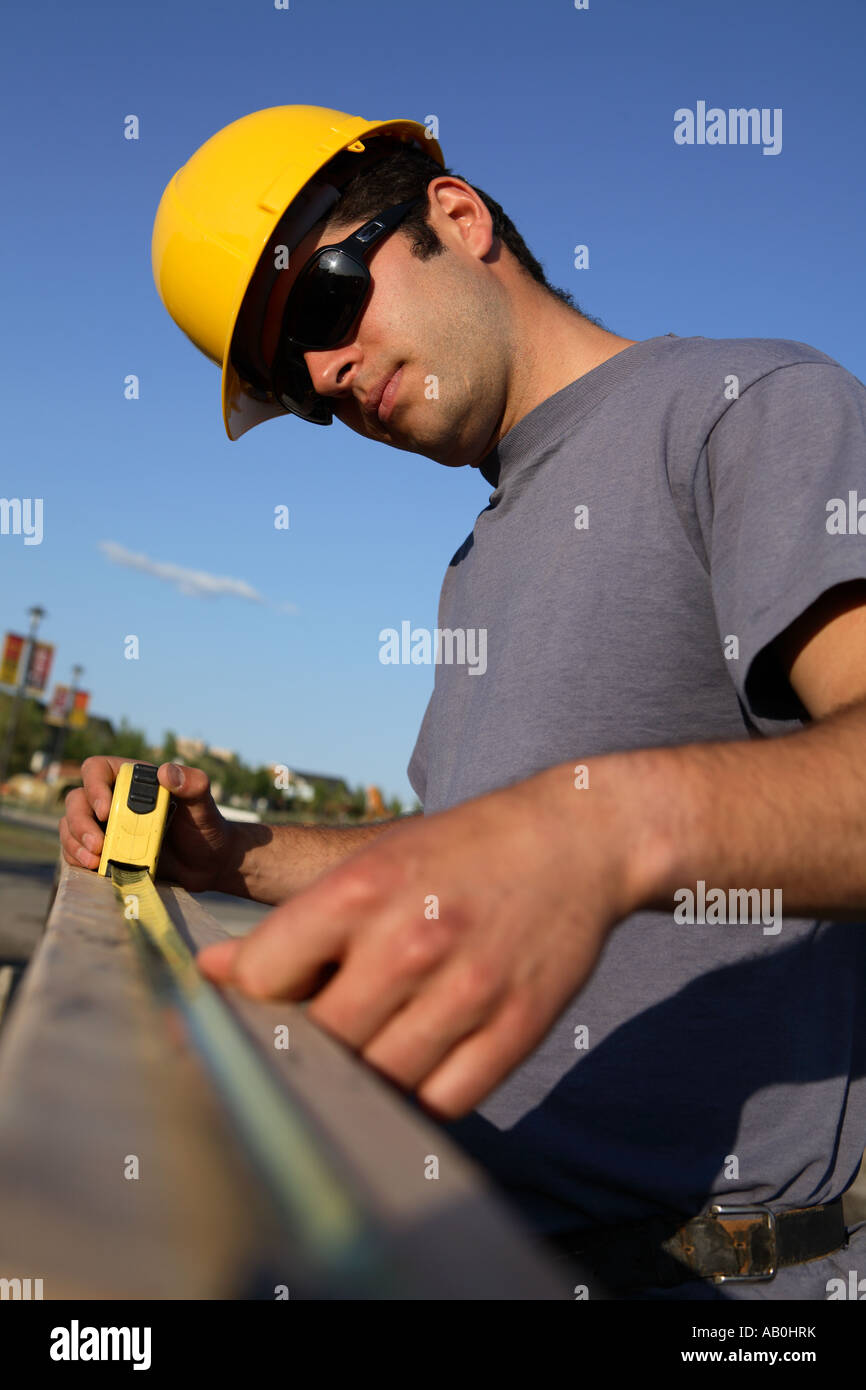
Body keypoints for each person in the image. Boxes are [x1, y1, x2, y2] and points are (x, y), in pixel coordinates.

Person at [62, 106, 866, 1298]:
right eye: (296, 379)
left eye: (325, 303)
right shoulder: (476, 561)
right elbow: (469, 856)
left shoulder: (747, 407)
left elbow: (557, 836)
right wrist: (230, 853)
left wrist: (594, 829)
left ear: (455, 215)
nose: (328, 375)